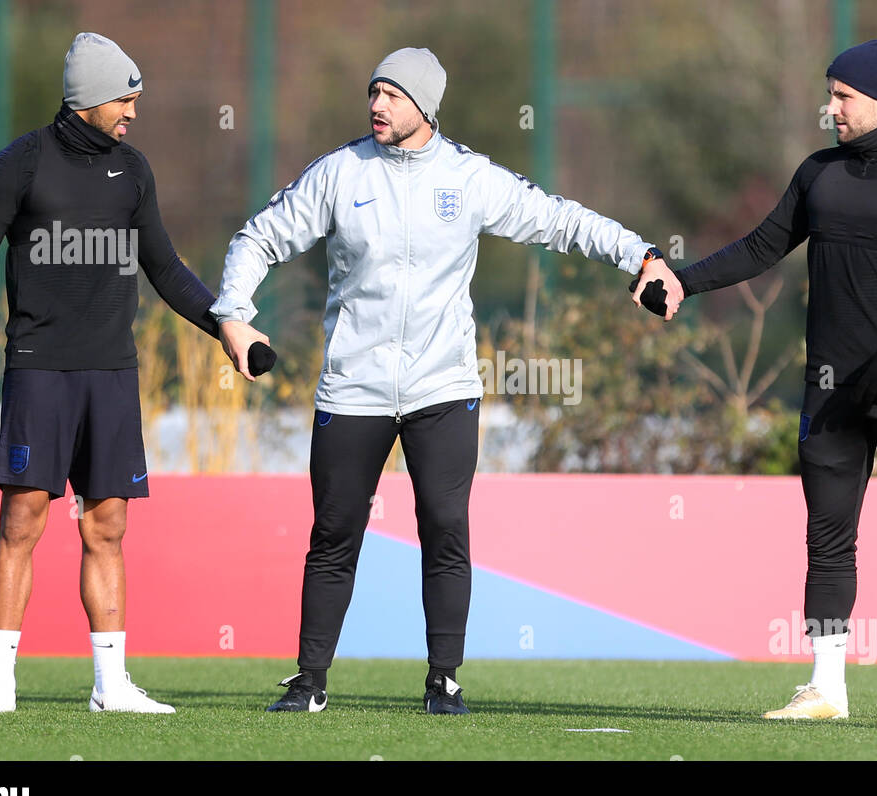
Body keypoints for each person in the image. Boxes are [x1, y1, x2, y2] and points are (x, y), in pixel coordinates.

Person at [212, 47, 672, 714]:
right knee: (334, 533)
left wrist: (642, 255)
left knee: (445, 528)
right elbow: (257, 239)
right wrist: (234, 312)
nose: (377, 105)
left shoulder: (469, 177)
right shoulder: (339, 174)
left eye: (393, 96)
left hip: (443, 388)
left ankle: (444, 679)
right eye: (373, 92)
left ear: (425, 107)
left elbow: (562, 220)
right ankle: (310, 681)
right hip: (353, 387)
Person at [633, 39, 877, 721]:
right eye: (830, 93)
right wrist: (683, 281)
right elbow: (762, 246)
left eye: (843, 96)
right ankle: (827, 688)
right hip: (829, 390)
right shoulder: (819, 173)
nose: (832, 108)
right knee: (826, 538)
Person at [0, 33, 255, 714]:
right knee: (22, 521)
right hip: (39, 370)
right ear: (89, 97)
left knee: (107, 526)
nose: (133, 113)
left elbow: (167, 269)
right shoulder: (20, 164)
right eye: (125, 98)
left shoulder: (133, 171)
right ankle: (0, 684)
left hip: (112, 374)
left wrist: (227, 326)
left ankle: (111, 687)